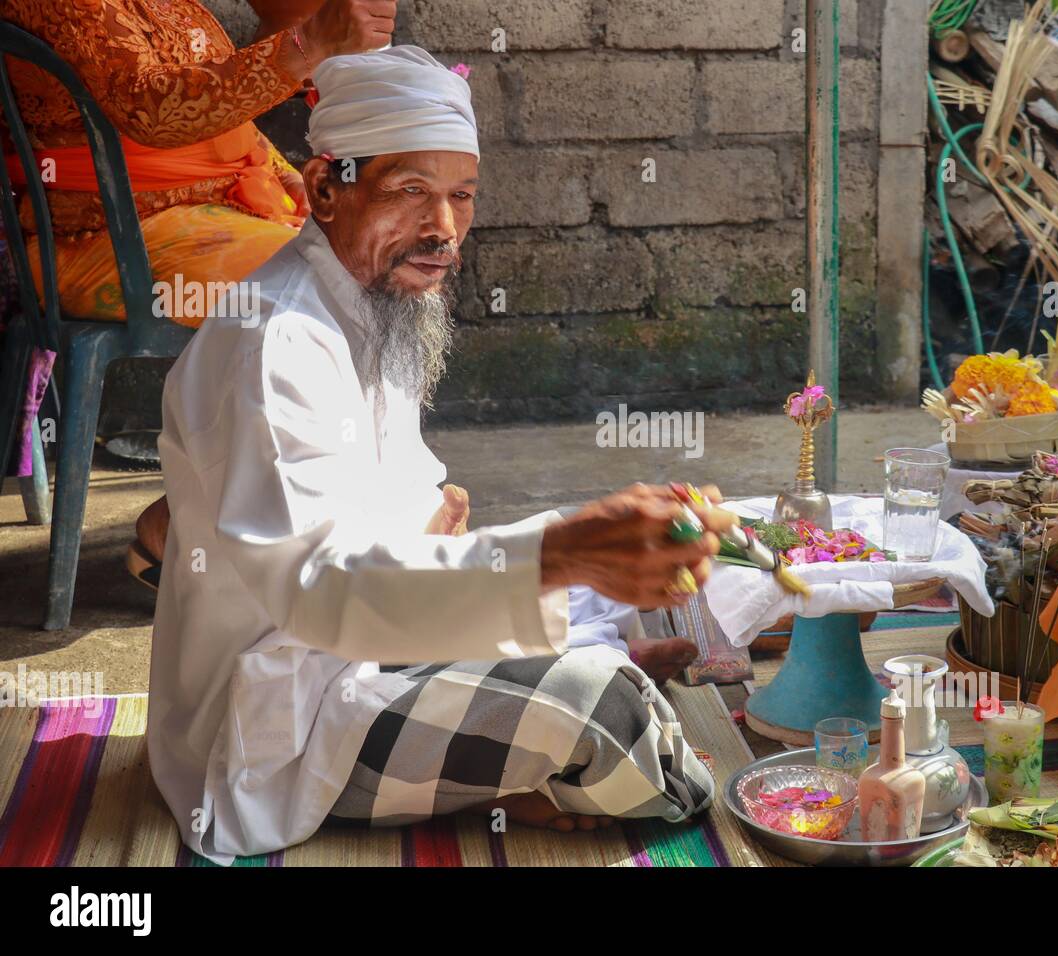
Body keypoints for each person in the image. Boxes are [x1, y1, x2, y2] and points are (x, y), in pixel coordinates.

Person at [148, 46, 719, 864]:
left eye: (460, 197)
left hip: (379, 652)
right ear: (324, 189)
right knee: (612, 711)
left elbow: (408, 522)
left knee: (640, 594)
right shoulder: (279, 341)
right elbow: (323, 588)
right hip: (281, 725)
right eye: (411, 191)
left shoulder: (380, 301)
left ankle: (519, 741)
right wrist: (557, 551)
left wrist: (465, 532)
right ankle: (522, 752)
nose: (444, 229)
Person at [0, 0, 394, 560]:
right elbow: (154, 110)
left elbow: (230, 132)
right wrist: (307, 43)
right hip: (103, 238)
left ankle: (265, 522)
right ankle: (254, 536)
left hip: (204, 215)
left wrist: (293, 182)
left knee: (376, 257)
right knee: (321, 288)